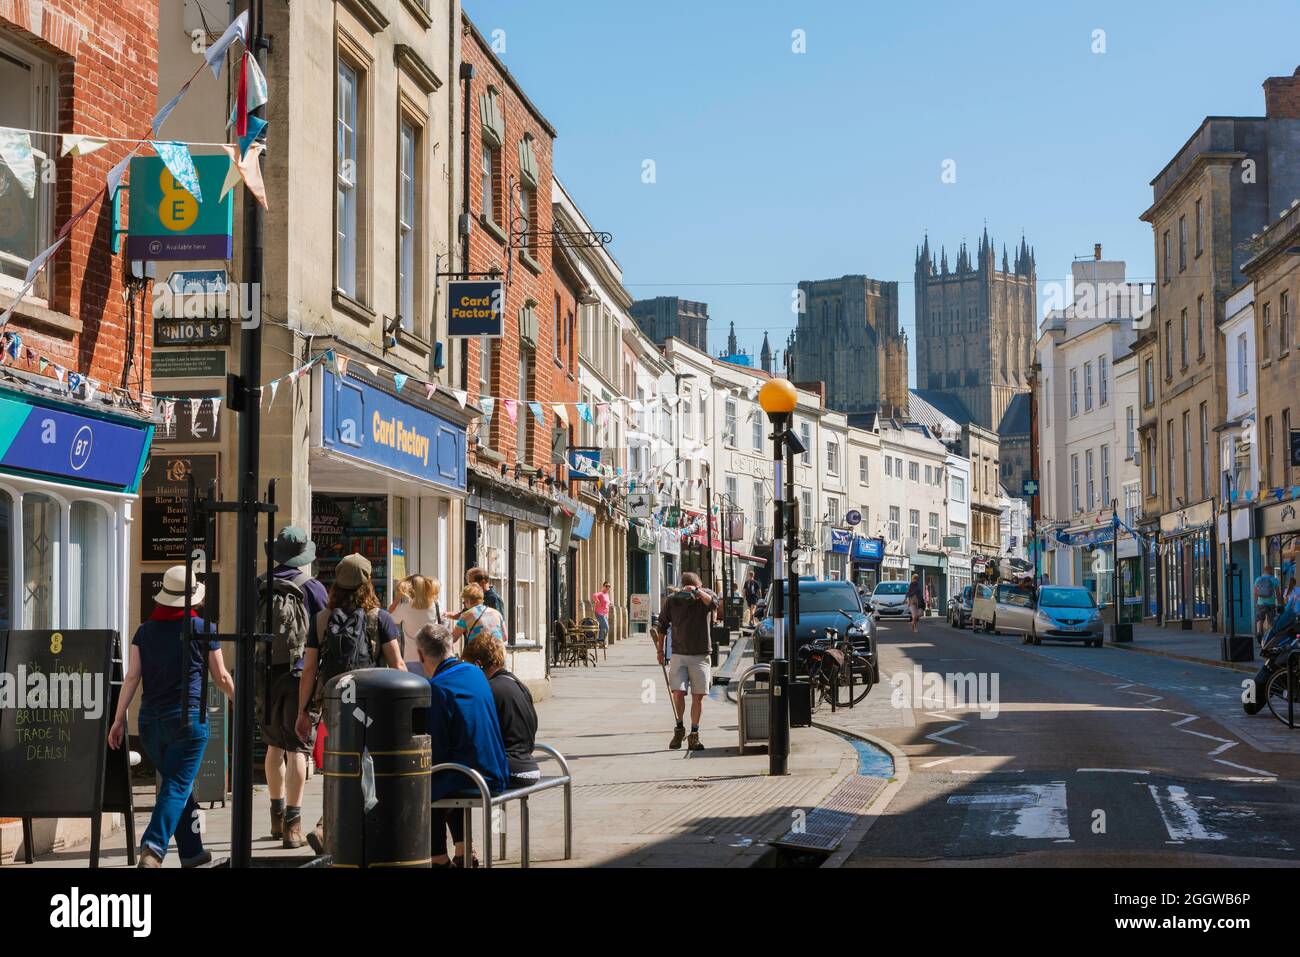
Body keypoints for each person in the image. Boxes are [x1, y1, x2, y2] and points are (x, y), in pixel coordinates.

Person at [109, 566, 235, 868]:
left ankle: (192, 852)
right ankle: (152, 849)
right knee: (178, 785)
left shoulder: (144, 631)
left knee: (177, 785)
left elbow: (131, 677)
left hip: (151, 725)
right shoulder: (204, 628)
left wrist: (118, 720)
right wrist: (239, 701)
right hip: (188, 721)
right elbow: (221, 676)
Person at [295, 553, 405, 854]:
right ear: (367, 583)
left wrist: (303, 712)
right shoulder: (380, 618)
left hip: (336, 703)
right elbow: (398, 666)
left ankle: (330, 825)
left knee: (342, 763)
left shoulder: (321, 619)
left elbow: (308, 670)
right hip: (371, 705)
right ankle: (330, 825)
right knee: (371, 763)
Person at [255, 526, 329, 850]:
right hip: (301, 675)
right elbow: (325, 632)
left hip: (267, 674)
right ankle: (293, 826)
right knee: (298, 747)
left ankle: (276, 815)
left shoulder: (259, 584)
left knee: (274, 747)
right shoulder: (312, 588)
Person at [418, 624, 510, 868]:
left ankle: (438, 858)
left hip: (472, 777)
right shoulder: (475, 673)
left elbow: (435, 747)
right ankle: (463, 850)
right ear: (452, 647)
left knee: (422, 783)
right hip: (495, 770)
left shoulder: (436, 688)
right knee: (449, 770)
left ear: (420, 655)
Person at [462, 631, 540, 789]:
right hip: (529, 765)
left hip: (506, 769)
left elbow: (476, 734)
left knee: (443, 780)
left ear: (478, 664)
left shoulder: (488, 690)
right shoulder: (518, 684)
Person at [652, 572, 718, 751]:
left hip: (701, 654)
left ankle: (694, 734)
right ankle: (679, 728)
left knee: (699, 697)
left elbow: (714, 604)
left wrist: (698, 592)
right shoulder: (673, 600)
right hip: (679, 654)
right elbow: (662, 625)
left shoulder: (706, 596)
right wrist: (660, 650)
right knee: (678, 693)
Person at [389, 574, 443, 670]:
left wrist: (397, 598)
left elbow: (389, 617)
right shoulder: (436, 605)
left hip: (411, 658)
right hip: (433, 657)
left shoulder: (405, 608)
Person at [453, 583, 506, 648]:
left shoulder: (466, 616)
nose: (464, 605)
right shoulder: (497, 613)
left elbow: (453, 638)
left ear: (468, 601)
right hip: (497, 654)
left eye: (464, 602)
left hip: (477, 654)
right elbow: (505, 637)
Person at [1254, 564, 1282, 641]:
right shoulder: (1274, 579)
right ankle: (1269, 637)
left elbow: (1256, 592)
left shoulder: (1258, 579)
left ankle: (1260, 634)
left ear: (1264, 570)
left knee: (1260, 620)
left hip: (1261, 603)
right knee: (1271, 621)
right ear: (1270, 570)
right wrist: (1279, 603)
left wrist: (1256, 602)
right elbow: (1278, 593)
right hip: (1271, 603)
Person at [592, 581, 612, 646]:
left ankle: (600, 643)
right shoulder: (601, 593)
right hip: (599, 613)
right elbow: (594, 595)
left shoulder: (607, 595)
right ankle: (602, 641)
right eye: (606, 586)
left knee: (602, 628)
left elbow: (606, 604)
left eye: (609, 586)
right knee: (606, 627)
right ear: (603, 586)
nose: (608, 588)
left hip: (605, 614)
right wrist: (598, 602)